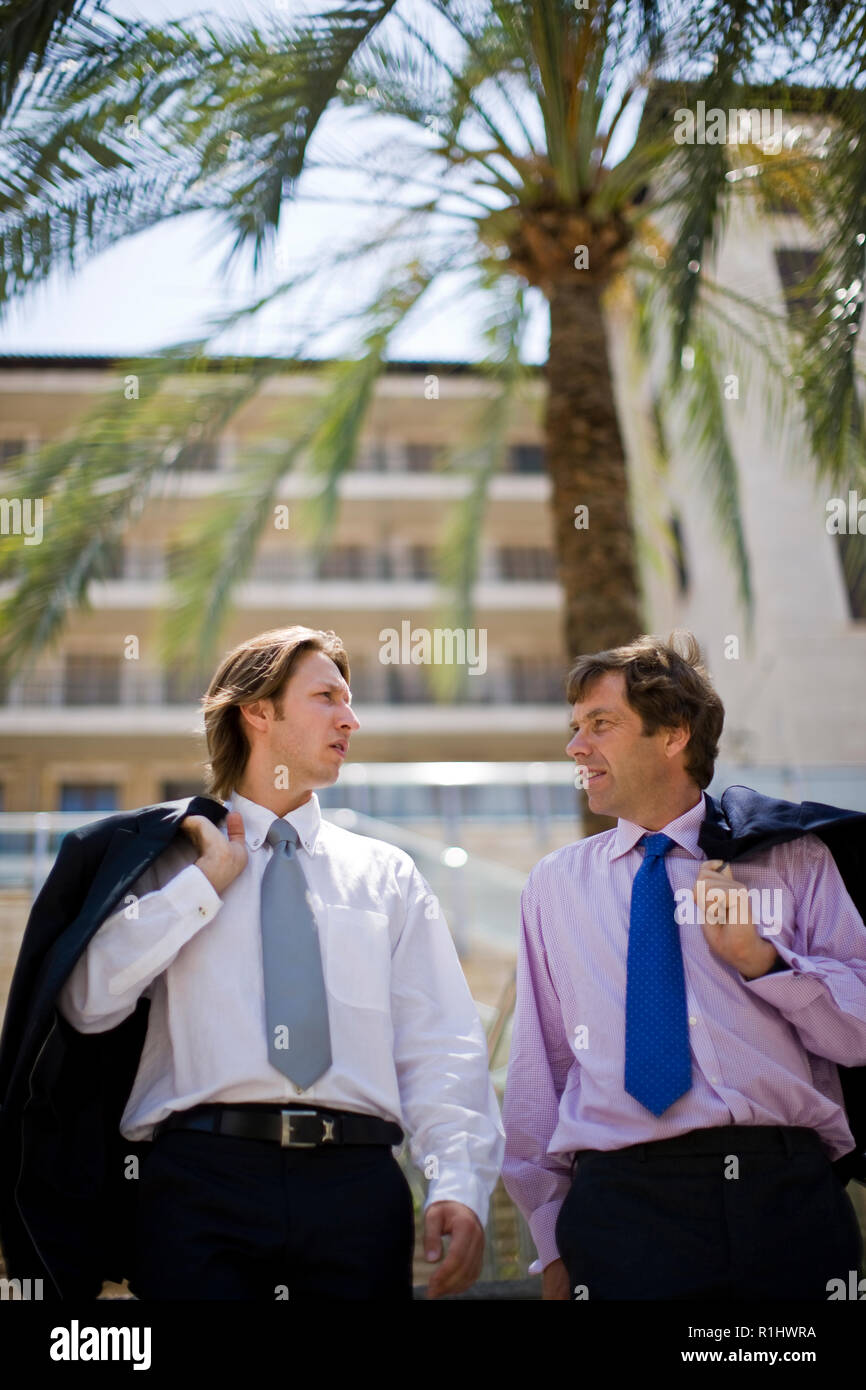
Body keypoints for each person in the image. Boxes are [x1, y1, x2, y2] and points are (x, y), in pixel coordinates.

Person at [0, 624, 503, 1301]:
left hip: (358, 1189)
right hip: (196, 1189)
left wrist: (459, 1184)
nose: (350, 718)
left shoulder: (387, 875)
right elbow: (86, 1005)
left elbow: (441, 1043)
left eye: (348, 701)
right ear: (258, 711)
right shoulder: (163, 863)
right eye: (327, 697)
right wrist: (201, 888)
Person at [502, 630, 866, 1301]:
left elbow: (860, 1032)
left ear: (673, 733)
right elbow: (539, 1070)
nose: (575, 747)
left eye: (600, 725)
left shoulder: (791, 858)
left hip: (788, 1198)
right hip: (620, 1211)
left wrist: (764, 962)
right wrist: (551, 1240)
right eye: (574, 728)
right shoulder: (553, 887)